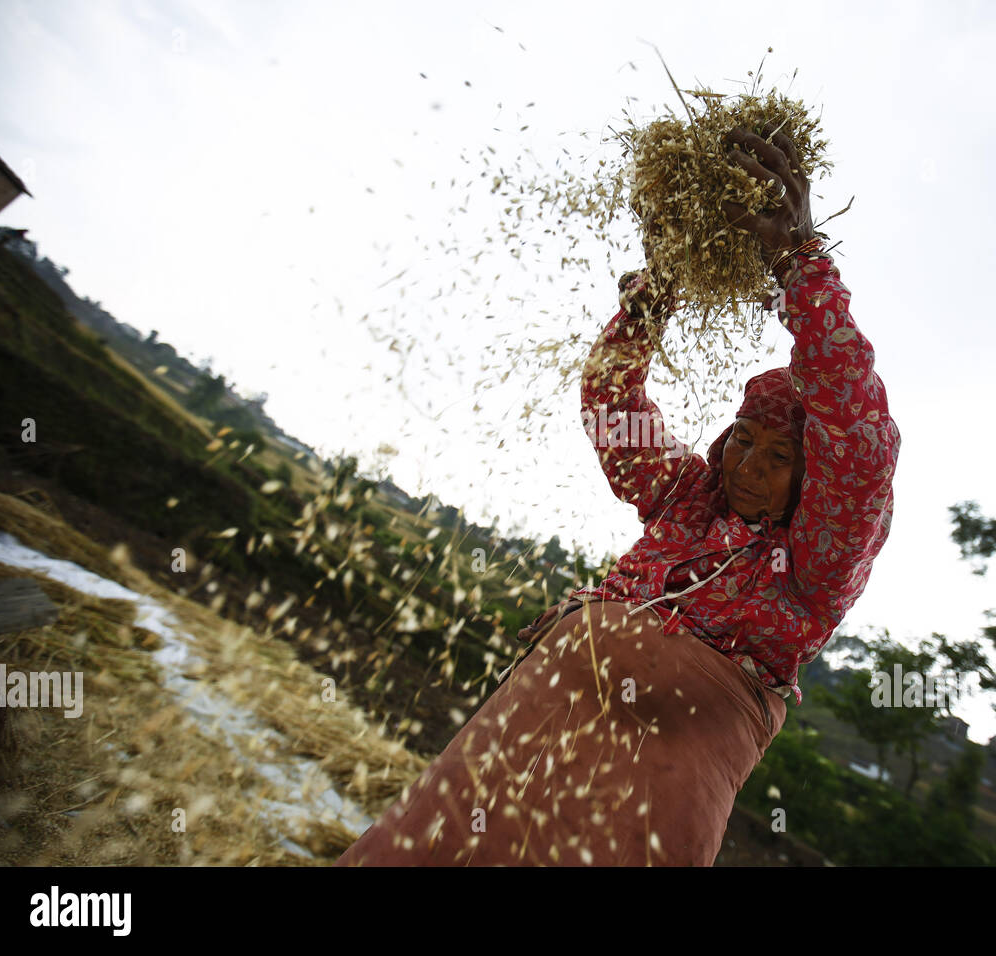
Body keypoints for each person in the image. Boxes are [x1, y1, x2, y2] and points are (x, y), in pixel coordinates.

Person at [333, 123, 900, 866]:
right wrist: (653, 295)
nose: (749, 463)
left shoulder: (814, 566)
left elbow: (856, 433)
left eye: (780, 456)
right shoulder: (688, 497)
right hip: (531, 734)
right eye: (744, 440)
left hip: (659, 783)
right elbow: (611, 397)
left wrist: (798, 262)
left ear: (810, 480)